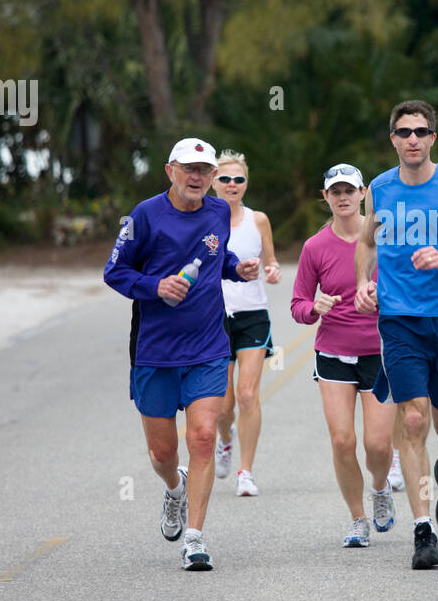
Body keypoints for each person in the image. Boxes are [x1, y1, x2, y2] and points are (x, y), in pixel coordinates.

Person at [104, 138, 260, 571]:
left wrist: (236, 268)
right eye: (189, 168)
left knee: (204, 437)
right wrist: (155, 286)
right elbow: (114, 271)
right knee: (162, 453)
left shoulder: (217, 212)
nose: (197, 177)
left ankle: (195, 538)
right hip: (154, 351)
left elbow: (215, 257)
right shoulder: (144, 216)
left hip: (208, 346)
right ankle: (175, 487)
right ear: (169, 170)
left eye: (204, 170)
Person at [354, 100, 438, 570]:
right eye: (403, 131)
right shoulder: (379, 188)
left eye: (421, 131)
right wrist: (362, 284)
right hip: (399, 320)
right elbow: (367, 243)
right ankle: (422, 530)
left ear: (433, 137)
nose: (412, 139)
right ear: (392, 138)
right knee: (412, 421)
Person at [291, 163, 398, 548]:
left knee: (378, 445)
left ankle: (381, 487)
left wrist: (383, 297)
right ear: (326, 197)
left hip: (380, 351)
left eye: (349, 190)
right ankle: (357, 518)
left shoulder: (386, 236)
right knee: (341, 441)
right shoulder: (315, 247)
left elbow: (409, 285)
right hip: (334, 352)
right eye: (335, 191)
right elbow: (297, 304)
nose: (342, 197)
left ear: (363, 193)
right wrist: (313, 308)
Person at [210, 150, 282, 498]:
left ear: (246, 183)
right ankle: (225, 439)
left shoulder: (259, 219)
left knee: (248, 394)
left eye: (239, 179)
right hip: (212, 316)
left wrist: (272, 271)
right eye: (225, 178)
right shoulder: (202, 218)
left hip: (253, 314)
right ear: (213, 182)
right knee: (223, 406)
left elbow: (271, 261)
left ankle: (246, 471)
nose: (232, 185)